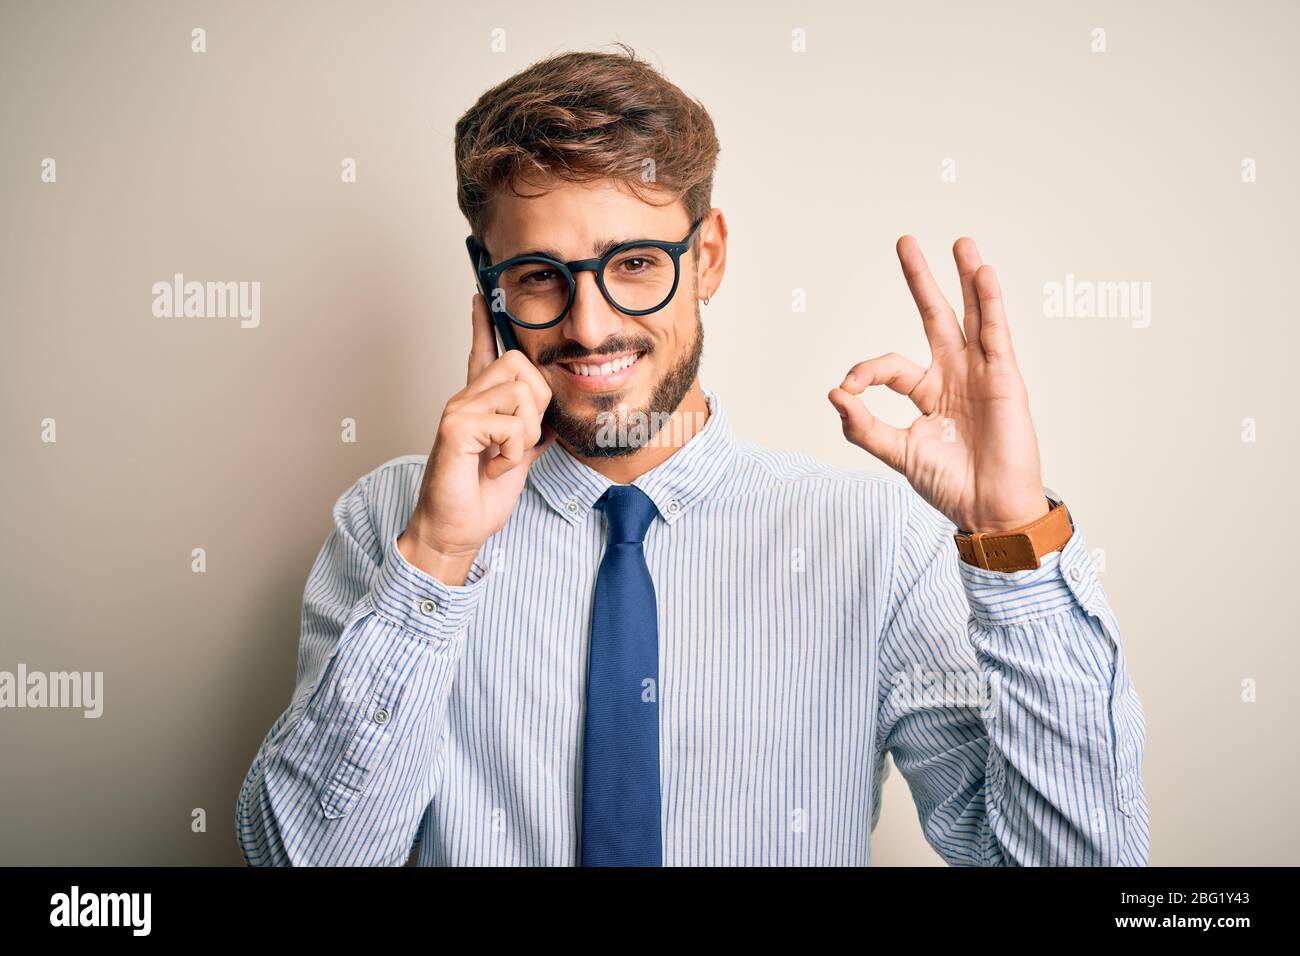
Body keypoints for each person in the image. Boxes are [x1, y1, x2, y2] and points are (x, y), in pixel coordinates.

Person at [236, 45, 1148, 866]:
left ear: (707, 255)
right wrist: (434, 565)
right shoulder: (391, 525)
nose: (590, 326)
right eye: (540, 275)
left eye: (633, 262)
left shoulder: (877, 540)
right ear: (491, 284)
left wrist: (1015, 539)